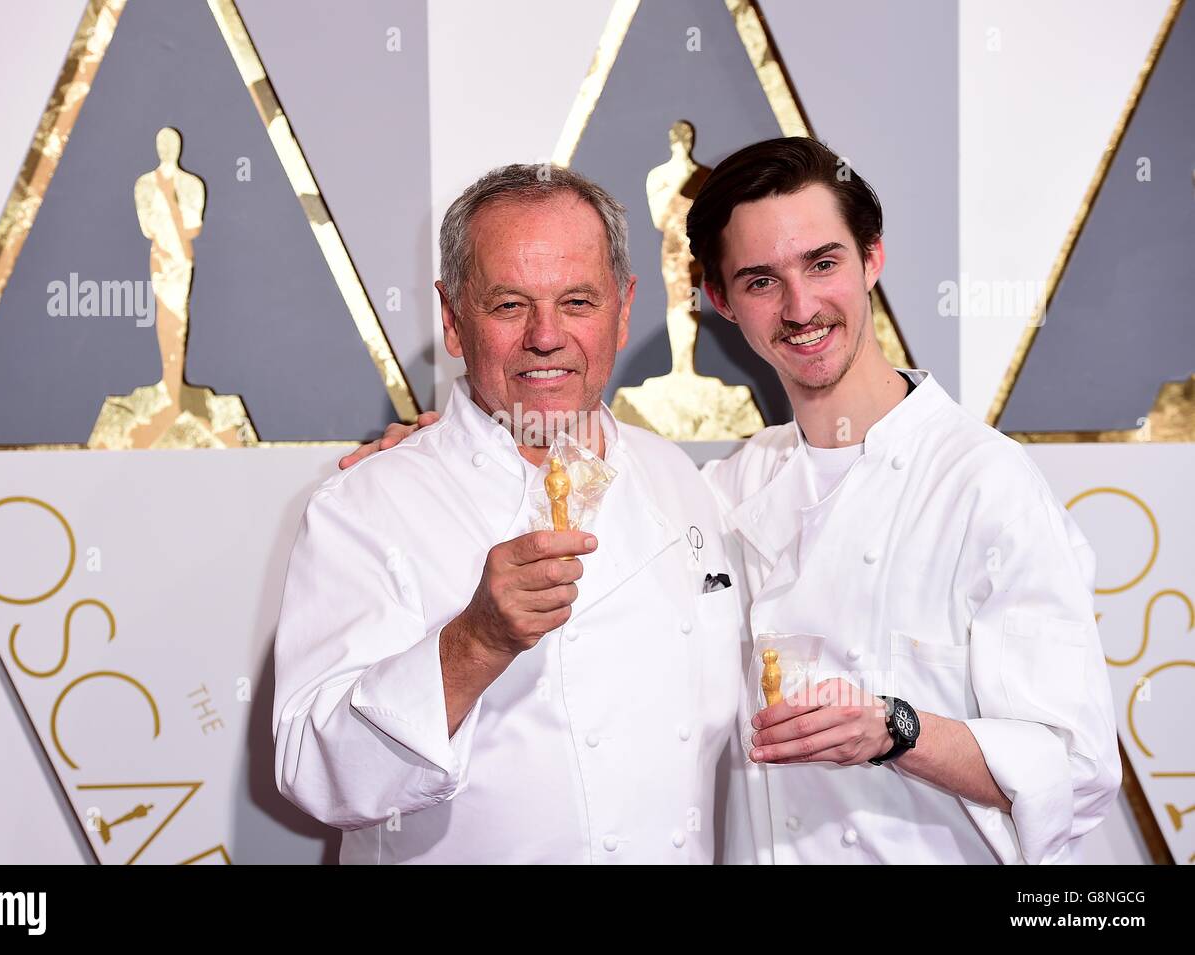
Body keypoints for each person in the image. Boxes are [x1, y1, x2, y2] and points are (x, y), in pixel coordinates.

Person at [345, 139, 1122, 865]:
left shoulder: (986, 483)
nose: (800, 306)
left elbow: (1076, 764)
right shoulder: (722, 489)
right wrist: (456, 446)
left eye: (823, 263)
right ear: (719, 298)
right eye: (760, 281)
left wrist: (897, 730)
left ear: (872, 259)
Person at [273, 164, 754, 864]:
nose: (546, 336)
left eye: (579, 302)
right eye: (509, 305)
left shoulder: (680, 481)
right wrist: (474, 642)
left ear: (623, 310)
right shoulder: (367, 507)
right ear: (452, 317)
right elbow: (314, 771)